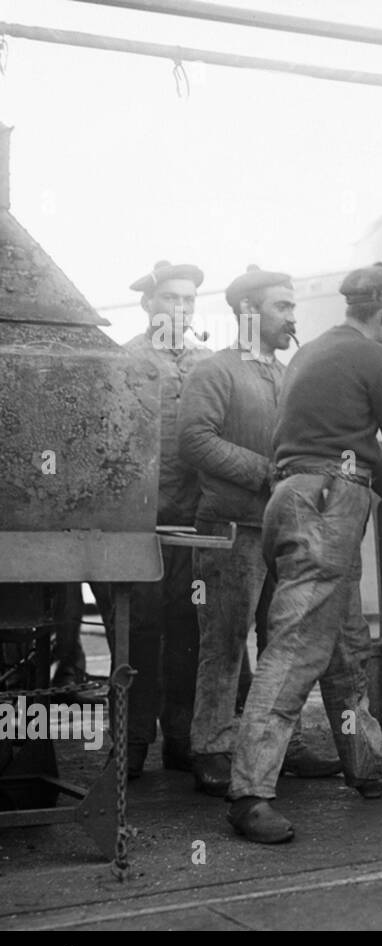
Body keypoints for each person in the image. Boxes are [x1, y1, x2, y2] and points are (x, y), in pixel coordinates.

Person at [227, 263, 382, 844]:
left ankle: (368, 761)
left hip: (295, 497)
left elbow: (364, 452)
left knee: (344, 647)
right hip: (327, 505)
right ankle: (250, 792)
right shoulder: (376, 359)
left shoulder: (314, 356)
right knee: (294, 650)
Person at [179, 266, 340, 798]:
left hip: (285, 530)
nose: (292, 317)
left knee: (284, 641)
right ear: (248, 312)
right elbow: (196, 442)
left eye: (292, 307)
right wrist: (264, 472)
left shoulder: (291, 374)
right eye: (281, 307)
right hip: (231, 528)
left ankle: (277, 743)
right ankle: (212, 745)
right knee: (223, 641)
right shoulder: (214, 371)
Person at [108, 260, 211, 778]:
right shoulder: (122, 361)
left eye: (190, 300)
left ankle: (181, 737)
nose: (181, 309)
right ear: (148, 304)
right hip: (137, 525)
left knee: (188, 626)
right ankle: (129, 744)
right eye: (171, 298)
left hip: (192, 526)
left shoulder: (208, 364)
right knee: (136, 631)